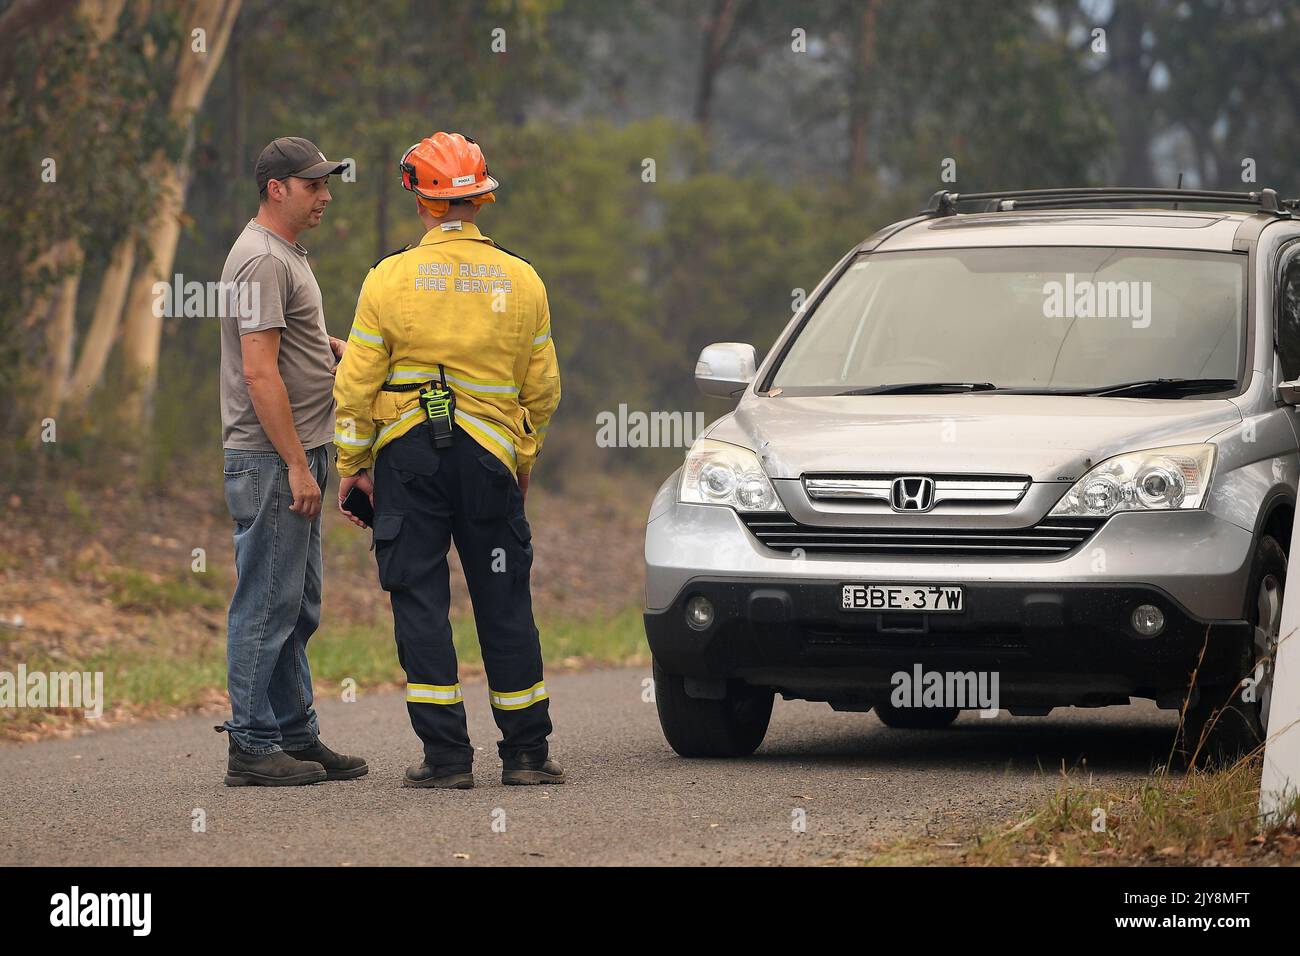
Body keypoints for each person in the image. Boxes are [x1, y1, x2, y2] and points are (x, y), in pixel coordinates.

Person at [332, 131, 561, 789]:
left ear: (419, 199)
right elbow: (542, 388)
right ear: (480, 199)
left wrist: (354, 464)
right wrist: (523, 456)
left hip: (408, 464)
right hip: (490, 461)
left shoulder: (390, 277)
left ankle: (446, 761)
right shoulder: (523, 279)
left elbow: (354, 386)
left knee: (419, 599)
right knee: (505, 600)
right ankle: (525, 755)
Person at [215, 136, 368, 786]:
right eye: (312, 185)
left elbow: (282, 346)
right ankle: (250, 747)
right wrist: (298, 469)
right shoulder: (259, 260)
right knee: (265, 605)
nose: (325, 196)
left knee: (298, 606)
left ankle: (295, 737)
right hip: (274, 461)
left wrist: (322, 344)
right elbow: (258, 373)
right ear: (276, 187)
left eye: (326, 183)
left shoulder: (283, 256)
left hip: (298, 453)